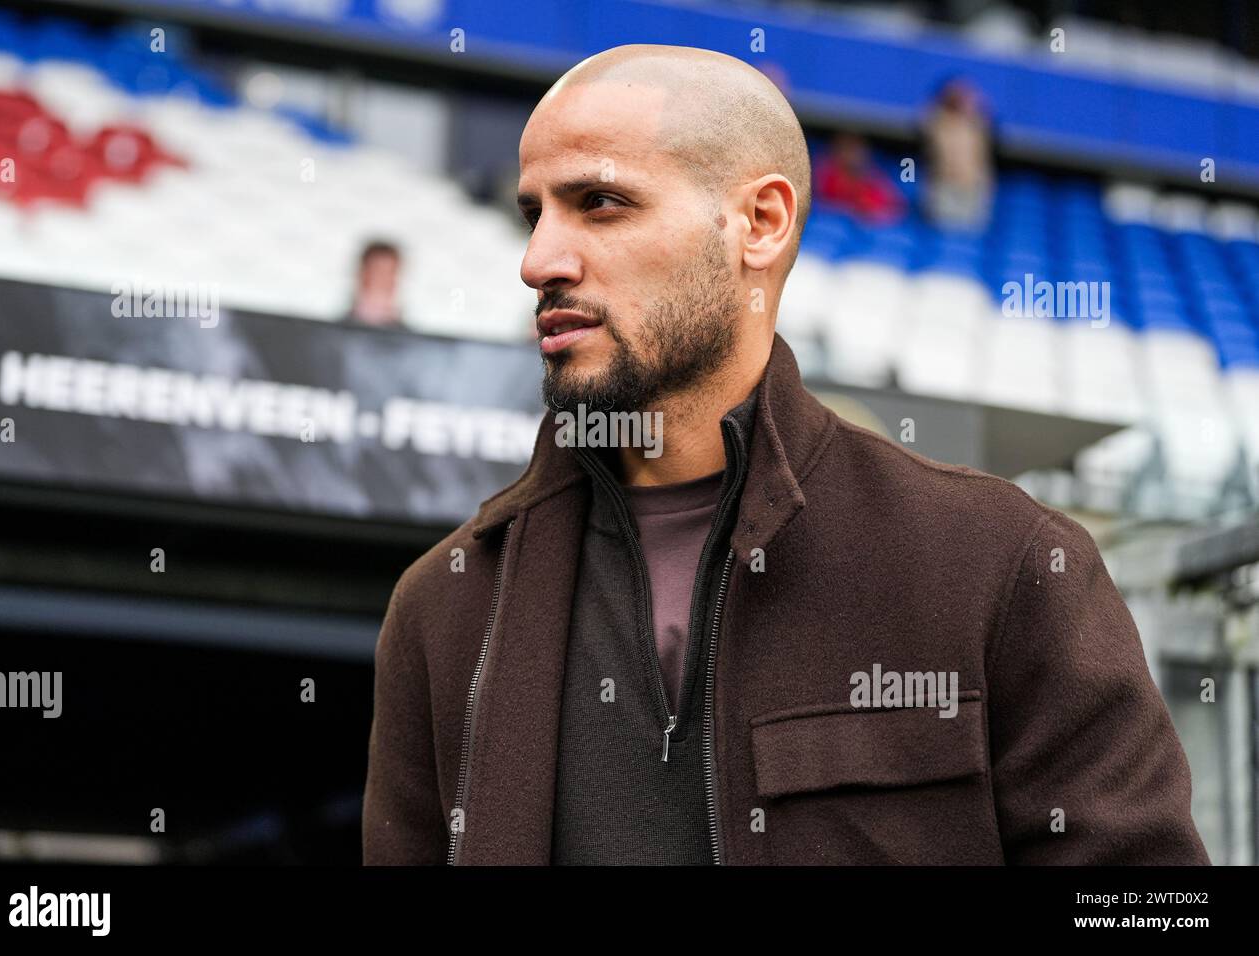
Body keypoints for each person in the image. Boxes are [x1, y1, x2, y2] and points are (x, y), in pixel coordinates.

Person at [362, 44, 1209, 865]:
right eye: (533, 212)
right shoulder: (444, 609)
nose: (538, 260)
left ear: (760, 225)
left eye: (601, 203)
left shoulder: (1005, 565)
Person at [922, 78, 994, 231]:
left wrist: (974, 102)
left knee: (970, 234)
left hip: (971, 189)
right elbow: (925, 118)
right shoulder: (938, 122)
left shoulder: (976, 126)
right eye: (958, 95)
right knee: (941, 229)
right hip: (944, 186)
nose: (962, 99)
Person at [814, 131, 906, 224]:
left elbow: (893, 211)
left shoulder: (874, 182)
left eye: (854, 150)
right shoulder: (824, 175)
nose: (850, 155)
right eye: (846, 149)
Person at [346, 239, 404, 327]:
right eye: (378, 272)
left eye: (390, 274)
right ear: (363, 275)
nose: (383, 281)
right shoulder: (332, 332)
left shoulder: (409, 337)